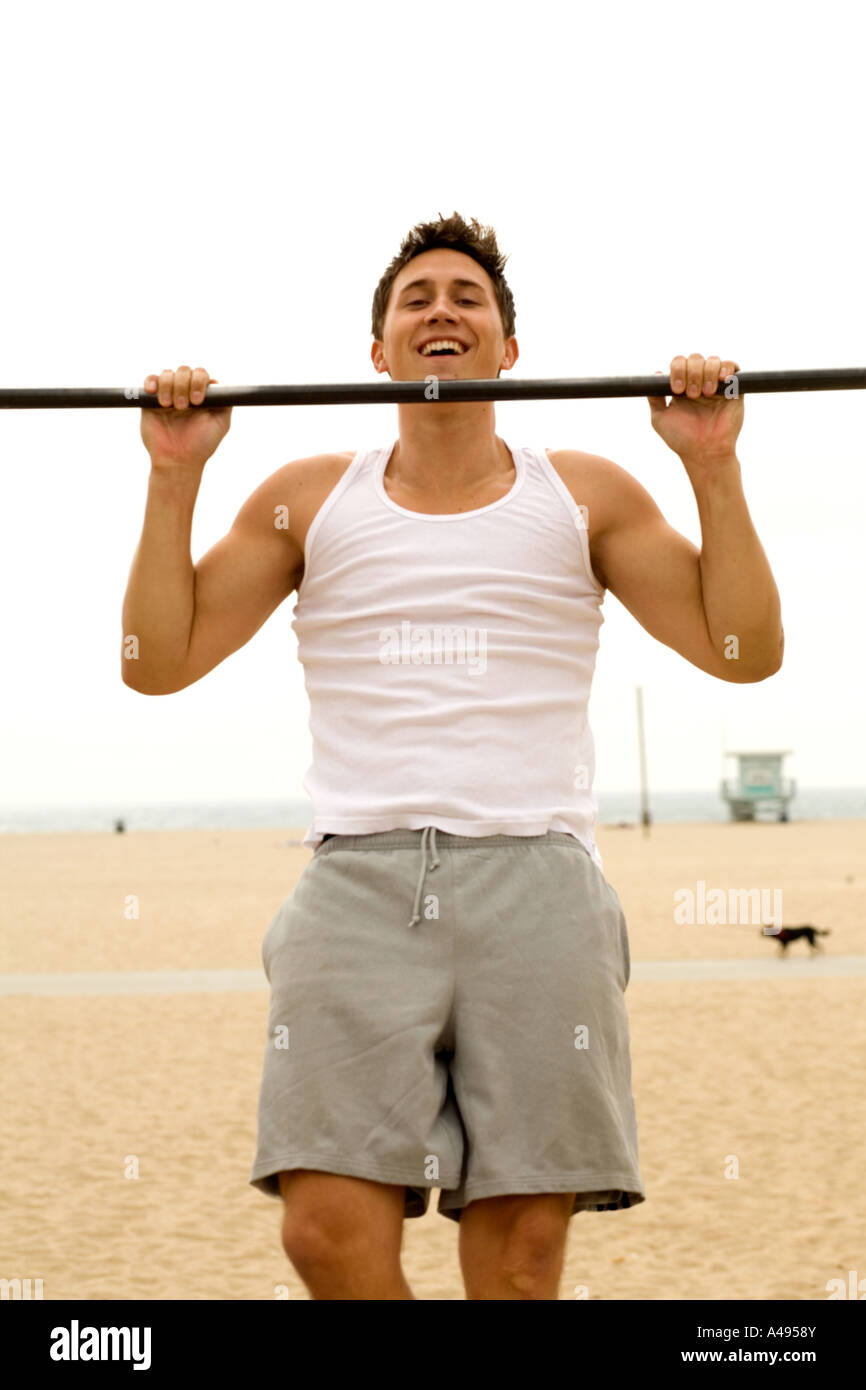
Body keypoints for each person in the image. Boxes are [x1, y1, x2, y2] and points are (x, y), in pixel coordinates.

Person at [122, 213, 783, 1300]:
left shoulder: (580, 490)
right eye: (414, 298)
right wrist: (172, 475)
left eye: (466, 296)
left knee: (521, 1264)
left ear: (507, 348)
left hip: (538, 883)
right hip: (356, 882)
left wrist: (711, 462)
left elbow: (742, 649)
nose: (441, 308)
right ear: (377, 350)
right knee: (324, 1236)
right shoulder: (305, 495)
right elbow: (156, 661)